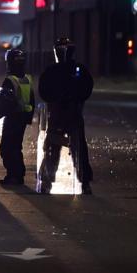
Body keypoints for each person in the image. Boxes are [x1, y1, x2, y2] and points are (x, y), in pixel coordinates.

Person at [38, 37, 94, 194]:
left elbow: (44, 91)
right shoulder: (77, 69)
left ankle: (48, 182)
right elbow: (87, 88)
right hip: (69, 113)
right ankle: (83, 183)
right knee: (70, 149)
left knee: (56, 149)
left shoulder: (53, 71)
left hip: (62, 113)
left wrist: (60, 99)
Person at [0, 49, 35, 185]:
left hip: (13, 118)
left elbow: (5, 102)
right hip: (23, 118)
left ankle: (13, 175)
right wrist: (28, 117)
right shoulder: (27, 78)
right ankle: (18, 174)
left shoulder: (10, 80)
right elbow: (32, 100)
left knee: (7, 147)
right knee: (16, 146)